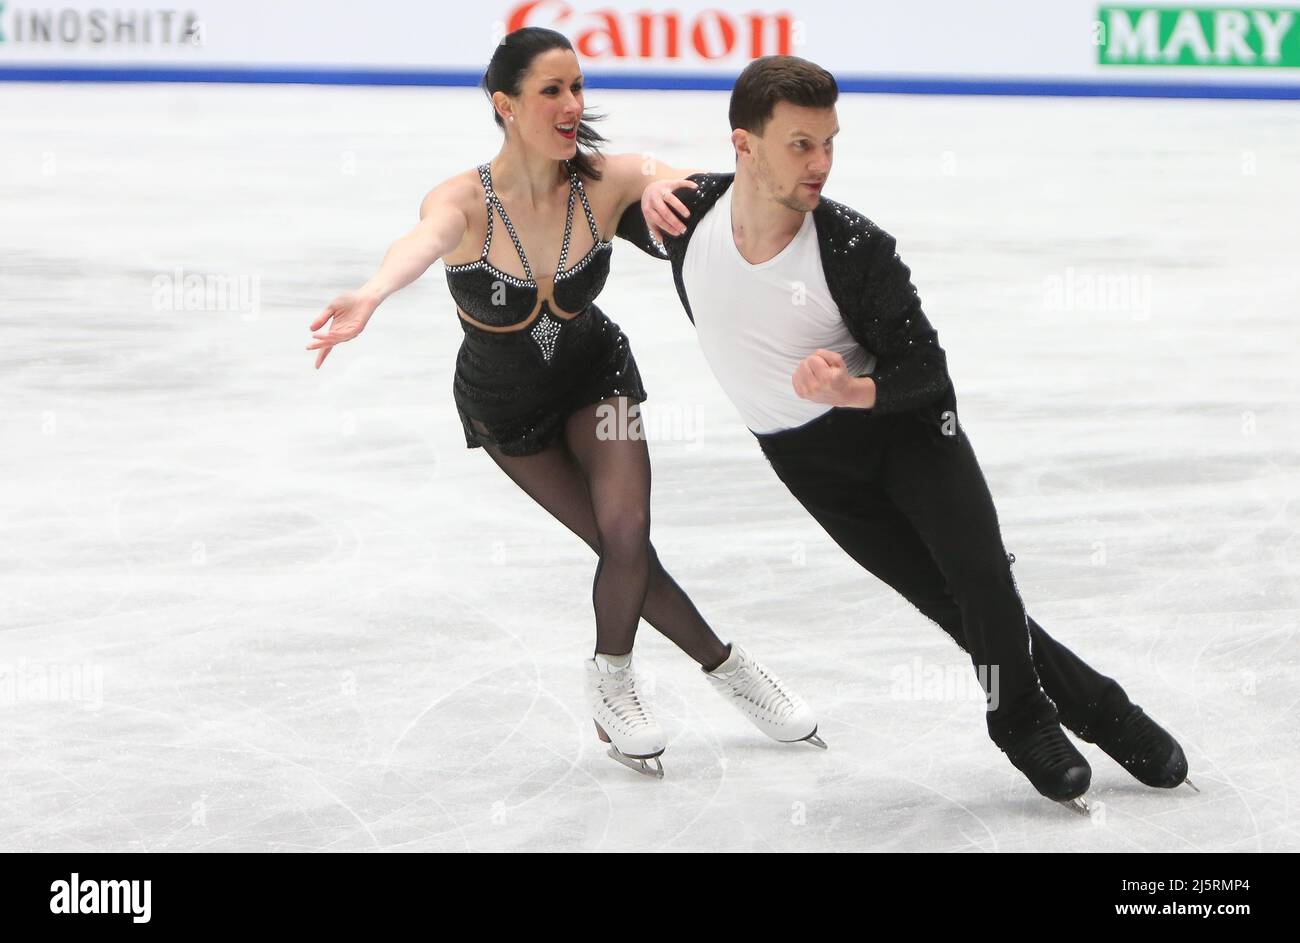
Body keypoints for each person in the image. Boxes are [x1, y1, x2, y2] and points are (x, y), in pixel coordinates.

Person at [623, 54, 1193, 811]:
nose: (821, 162)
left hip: (906, 429)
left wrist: (852, 388)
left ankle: (1020, 719)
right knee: (952, 603)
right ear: (745, 145)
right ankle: (1102, 708)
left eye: (830, 142)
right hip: (806, 460)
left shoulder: (854, 249)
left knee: (981, 574)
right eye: (800, 144)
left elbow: (926, 369)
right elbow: (596, 181)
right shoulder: (688, 214)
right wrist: (646, 179)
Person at [305, 29, 826, 777]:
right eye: (552, 90)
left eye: (577, 88)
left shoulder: (603, 180)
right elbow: (422, 240)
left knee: (627, 527)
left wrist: (659, 186)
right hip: (507, 411)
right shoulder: (462, 201)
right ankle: (725, 663)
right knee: (620, 548)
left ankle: (613, 676)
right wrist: (372, 292)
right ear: (506, 105)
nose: (571, 104)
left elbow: (690, 183)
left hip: (597, 377)